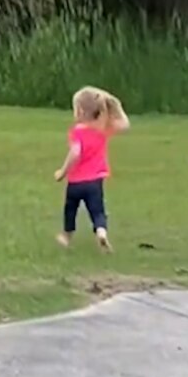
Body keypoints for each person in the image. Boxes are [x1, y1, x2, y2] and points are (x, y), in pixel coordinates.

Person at [54, 86, 130, 252]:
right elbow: (125, 124)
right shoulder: (102, 131)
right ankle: (101, 232)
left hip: (76, 182)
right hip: (95, 182)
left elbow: (75, 153)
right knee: (97, 211)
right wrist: (114, 104)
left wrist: (62, 172)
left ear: (80, 111)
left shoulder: (77, 132)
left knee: (70, 209)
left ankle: (66, 236)